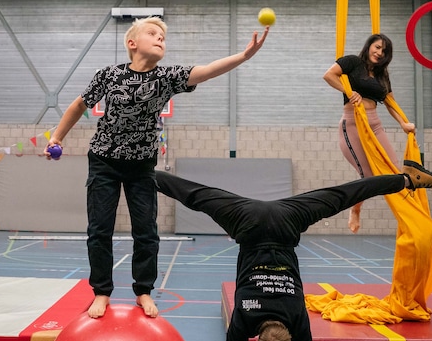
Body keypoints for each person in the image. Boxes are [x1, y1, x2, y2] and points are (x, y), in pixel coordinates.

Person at [155, 166, 432, 341]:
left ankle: (407, 180)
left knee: (341, 196)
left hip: (286, 220)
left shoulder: (296, 316)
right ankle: (143, 171)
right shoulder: (244, 316)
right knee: (195, 195)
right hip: (246, 220)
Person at [46, 16, 269, 319]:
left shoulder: (167, 77)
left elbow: (204, 72)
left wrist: (243, 57)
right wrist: (56, 137)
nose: (160, 38)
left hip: (141, 165)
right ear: (132, 43)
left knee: (147, 231)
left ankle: (143, 291)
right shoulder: (108, 75)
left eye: (163, 35)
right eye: (152, 33)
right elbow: (79, 105)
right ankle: (101, 292)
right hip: (103, 160)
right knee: (99, 228)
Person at [322, 33, 417, 233]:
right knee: (368, 174)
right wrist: (348, 92)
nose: (379, 53)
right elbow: (329, 75)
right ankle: (356, 209)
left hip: (374, 123)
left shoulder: (383, 76)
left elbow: (391, 103)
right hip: (353, 124)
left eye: (384, 51)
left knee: (394, 171)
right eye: (377, 47)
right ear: (369, 46)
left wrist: (403, 123)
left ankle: (407, 217)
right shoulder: (353, 62)